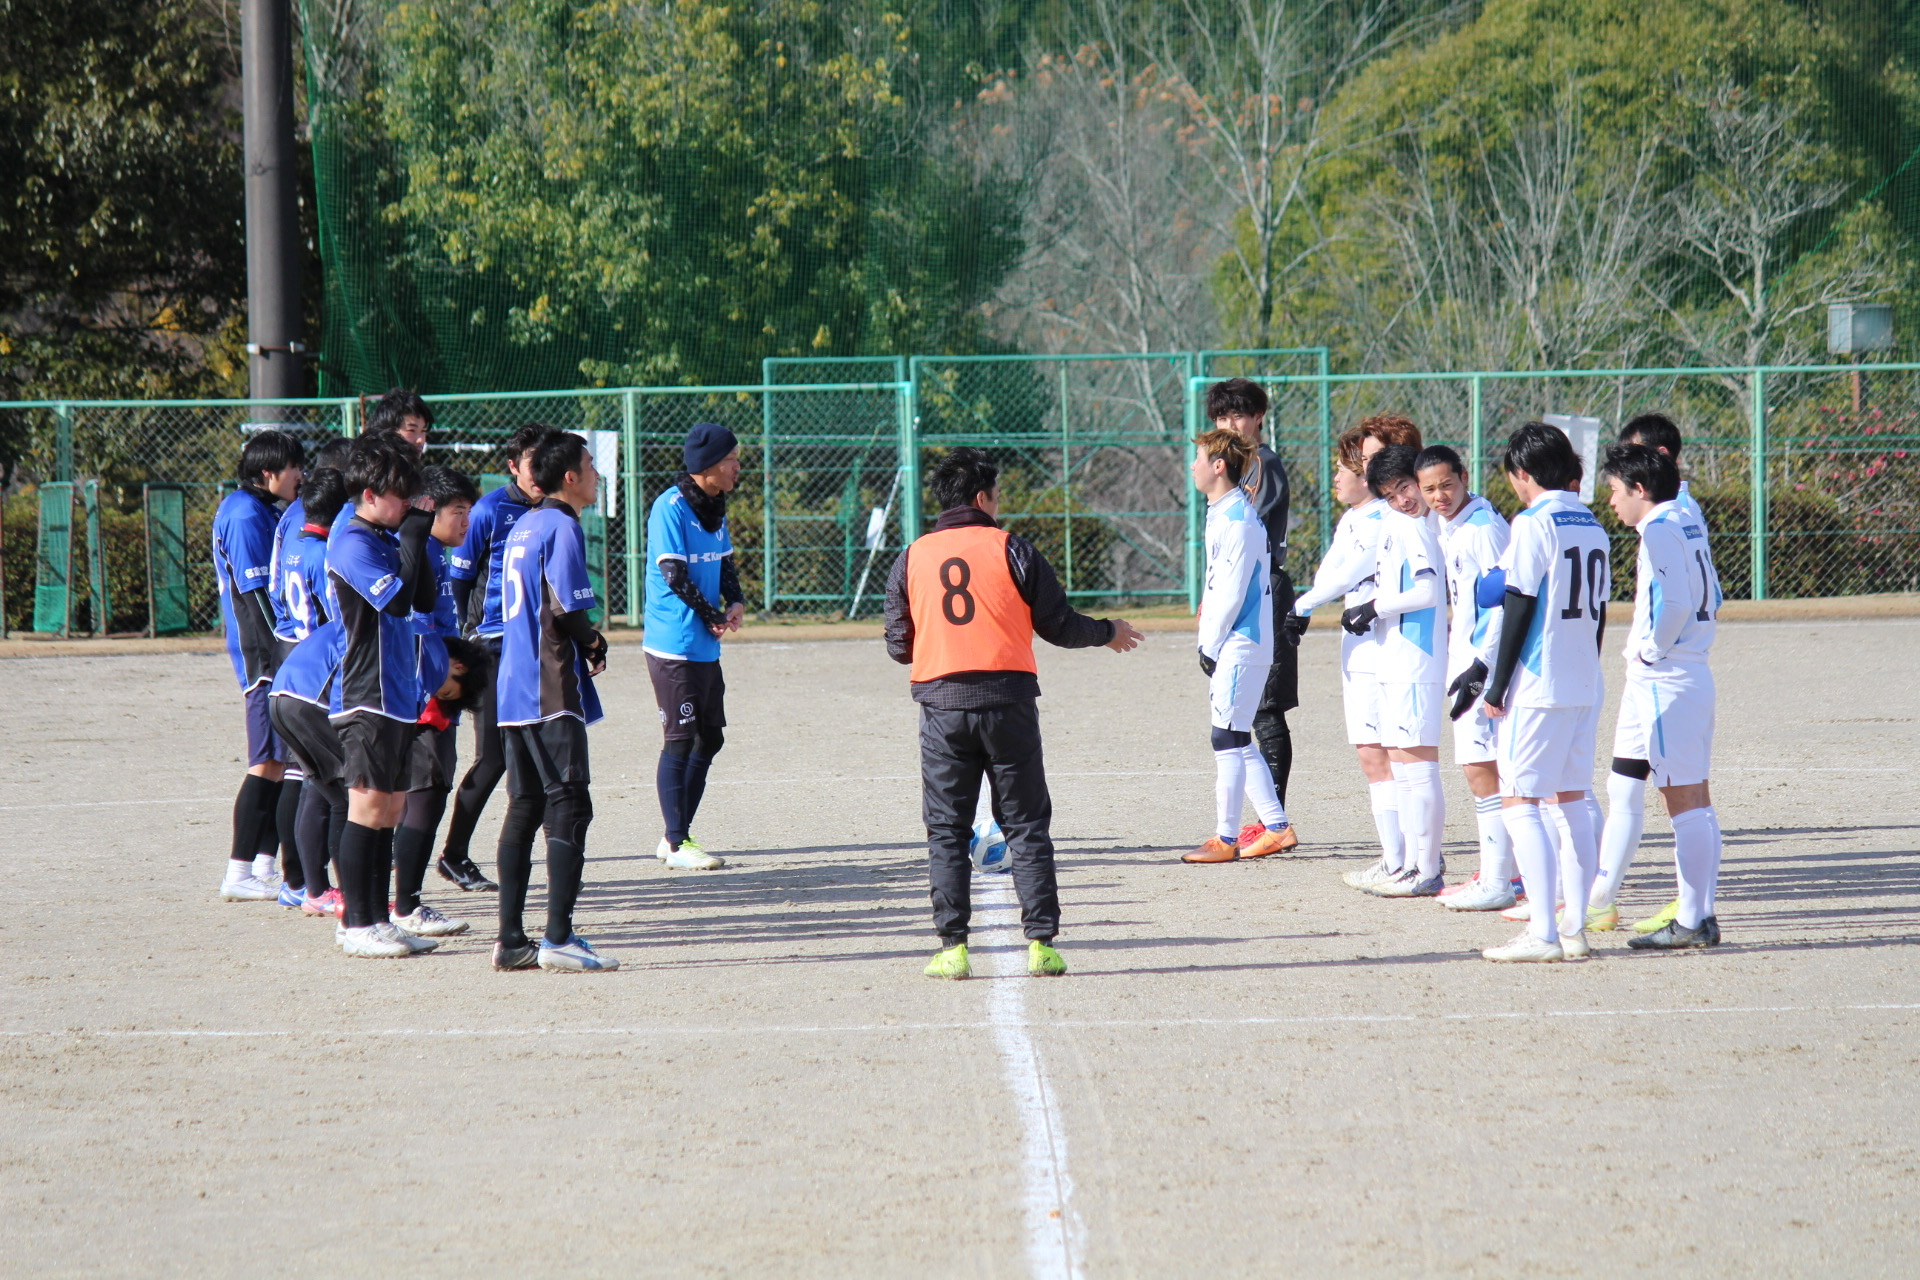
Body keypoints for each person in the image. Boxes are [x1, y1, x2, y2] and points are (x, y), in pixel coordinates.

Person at [884, 447, 1144, 980]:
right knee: (1025, 824)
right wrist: (1107, 632)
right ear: (982, 498)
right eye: (997, 495)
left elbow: (898, 645)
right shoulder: (1013, 549)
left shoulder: (910, 557)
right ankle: (1042, 943)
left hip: (942, 707)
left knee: (947, 830)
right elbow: (1060, 625)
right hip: (1009, 703)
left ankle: (953, 947)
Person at [1474, 423, 1610, 963]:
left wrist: (1497, 682)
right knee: (1571, 800)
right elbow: (1596, 614)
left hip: (1539, 679)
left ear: (1523, 474)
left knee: (1520, 800)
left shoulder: (1532, 522)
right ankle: (1572, 928)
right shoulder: (1593, 521)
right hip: (1583, 678)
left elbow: (1518, 602)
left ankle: (1543, 933)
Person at [1588, 444, 1725, 948]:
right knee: (1649, 787)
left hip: (1667, 679)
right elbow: (1713, 591)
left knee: (1685, 802)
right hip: (1677, 677)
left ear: (1639, 490)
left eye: (1615, 491)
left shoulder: (1662, 529)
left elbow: (1679, 603)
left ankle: (1693, 919)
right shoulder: (1683, 519)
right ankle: (1680, 911)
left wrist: (1651, 650)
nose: (1611, 502)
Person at [492, 431, 615, 972]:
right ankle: (559, 936)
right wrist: (593, 642)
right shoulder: (562, 526)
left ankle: (511, 940)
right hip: (547, 685)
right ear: (569, 476)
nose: (595, 474)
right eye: (590, 465)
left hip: (512, 686)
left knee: (525, 806)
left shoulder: (524, 524)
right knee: (570, 802)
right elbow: (567, 608)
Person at [1290, 417, 1423, 890]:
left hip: (1386, 642)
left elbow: (1354, 572)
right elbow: (1334, 572)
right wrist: (1304, 602)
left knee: (1395, 753)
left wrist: (1303, 605)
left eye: (1367, 459)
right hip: (1357, 640)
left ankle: (1412, 861)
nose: (1358, 469)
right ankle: (1396, 858)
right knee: (1372, 754)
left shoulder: (1396, 517)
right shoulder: (1356, 518)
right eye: (1361, 459)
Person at [328, 433, 442, 959]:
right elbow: (394, 604)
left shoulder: (384, 538)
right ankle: (355, 923)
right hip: (366, 692)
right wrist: (415, 536)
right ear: (370, 493)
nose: (408, 504)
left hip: (397, 690)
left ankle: (379, 919)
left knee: (391, 808)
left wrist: (415, 535)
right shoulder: (352, 541)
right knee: (367, 809)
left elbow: (422, 596)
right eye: (400, 496)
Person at [440, 422, 553, 890]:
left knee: (540, 755)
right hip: (492, 647)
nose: (541, 473)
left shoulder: (554, 510)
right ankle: (453, 856)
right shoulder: (488, 511)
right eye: (533, 463)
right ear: (513, 466)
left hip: (538, 649)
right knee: (492, 759)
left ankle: (540, 857)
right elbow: (460, 582)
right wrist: (469, 645)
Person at [1182, 428, 1293, 864]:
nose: (1192, 466)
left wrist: (1208, 644)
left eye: (1198, 459)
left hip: (1241, 641)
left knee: (1225, 736)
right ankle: (1278, 827)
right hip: (1238, 639)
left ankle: (1225, 838)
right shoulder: (1224, 512)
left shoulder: (1237, 520)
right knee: (1237, 737)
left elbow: (1230, 593)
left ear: (1218, 466)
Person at [642, 422, 747, 871]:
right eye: (732, 460)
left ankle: (676, 833)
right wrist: (712, 615)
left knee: (711, 738)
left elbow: (722, 561)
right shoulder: (670, 506)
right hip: (674, 644)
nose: (738, 467)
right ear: (709, 466)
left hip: (704, 643)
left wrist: (735, 600)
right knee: (681, 740)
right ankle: (677, 839)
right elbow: (674, 575)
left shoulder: (714, 506)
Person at [1417, 445, 1518, 911]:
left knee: (1484, 768)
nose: (1439, 495)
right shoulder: (1452, 524)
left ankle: (1501, 878)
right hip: (1468, 659)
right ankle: (1503, 873)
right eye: (1430, 489)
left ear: (1464, 476)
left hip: (1484, 665)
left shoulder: (1483, 529)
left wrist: (1483, 666)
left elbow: (1507, 602)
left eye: (1446, 485)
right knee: (1479, 766)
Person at [1345, 444, 1448, 897]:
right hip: (1394, 658)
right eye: (1390, 494)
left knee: (1417, 764)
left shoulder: (1417, 529)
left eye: (1405, 487)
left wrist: (1374, 607)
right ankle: (1408, 864)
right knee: (1403, 765)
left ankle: (1426, 869)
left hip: (1416, 657)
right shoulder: (1397, 524)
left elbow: (1428, 591)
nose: (1403, 499)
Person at [389, 465, 484, 939]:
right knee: (424, 794)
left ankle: (394, 897)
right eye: (458, 511)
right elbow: (410, 622)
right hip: (421, 690)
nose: (467, 521)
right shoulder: (417, 549)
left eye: (470, 510)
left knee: (422, 793)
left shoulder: (432, 549)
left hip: (431, 685)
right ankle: (405, 904)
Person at [1205, 378, 1301, 846]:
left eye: (1239, 415)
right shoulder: (1237, 468)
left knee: (1264, 708)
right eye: (1222, 418)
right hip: (1244, 589)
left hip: (1265, 591)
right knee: (1244, 711)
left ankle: (1272, 822)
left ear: (1259, 416)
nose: (1230, 424)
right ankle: (1271, 820)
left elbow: (1248, 541)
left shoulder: (1262, 463)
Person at [212, 428, 304, 902]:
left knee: (284, 760)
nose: (300, 476)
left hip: (272, 652)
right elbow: (257, 595)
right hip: (263, 653)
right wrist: (288, 644)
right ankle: (239, 870)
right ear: (268, 473)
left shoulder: (262, 508)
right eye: (293, 468)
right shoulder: (246, 513)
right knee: (266, 762)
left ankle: (265, 865)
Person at [275, 465, 350, 913]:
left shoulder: (292, 544)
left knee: (309, 783)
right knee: (328, 788)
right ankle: (322, 889)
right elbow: (339, 619)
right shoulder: (325, 555)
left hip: (295, 659)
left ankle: (305, 884)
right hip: (319, 674)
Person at [365, 389, 434, 453]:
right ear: (387, 431)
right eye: (412, 430)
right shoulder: (369, 464)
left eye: (423, 431)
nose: (420, 440)